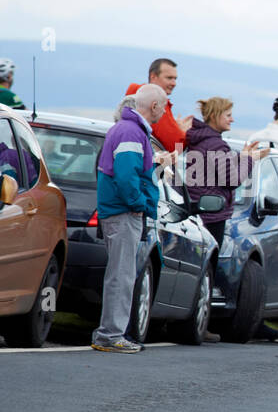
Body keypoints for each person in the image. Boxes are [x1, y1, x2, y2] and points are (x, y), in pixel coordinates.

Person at [91, 86, 166, 352]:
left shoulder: (127, 129)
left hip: (119, 210)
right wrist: (139, 204)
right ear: (154, 105)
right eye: (164, 107)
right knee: (121, 276)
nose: (164, 113)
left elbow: (128, 170)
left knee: (120, 275)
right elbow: (126, 175)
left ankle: (109, 333)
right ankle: (110, 335)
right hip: (124, 212)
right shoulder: (132, 131)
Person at [185, 97, 267, 248]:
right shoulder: (215, 145)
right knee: (211, 264)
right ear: (215, 116)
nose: (232, 119)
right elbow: (232, 180)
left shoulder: (203, 141)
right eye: (228, 115)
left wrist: (242, 158)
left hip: (199, 210)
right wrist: (250, 159)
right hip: (211, 215)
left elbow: (217, 172)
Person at [125, 58, 193, 158]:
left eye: (175, 79)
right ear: (153, 77)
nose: (174, 83)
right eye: (169, 78)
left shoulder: (134, 98)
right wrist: (185, 133)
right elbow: (175, 148)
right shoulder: (155, 104)